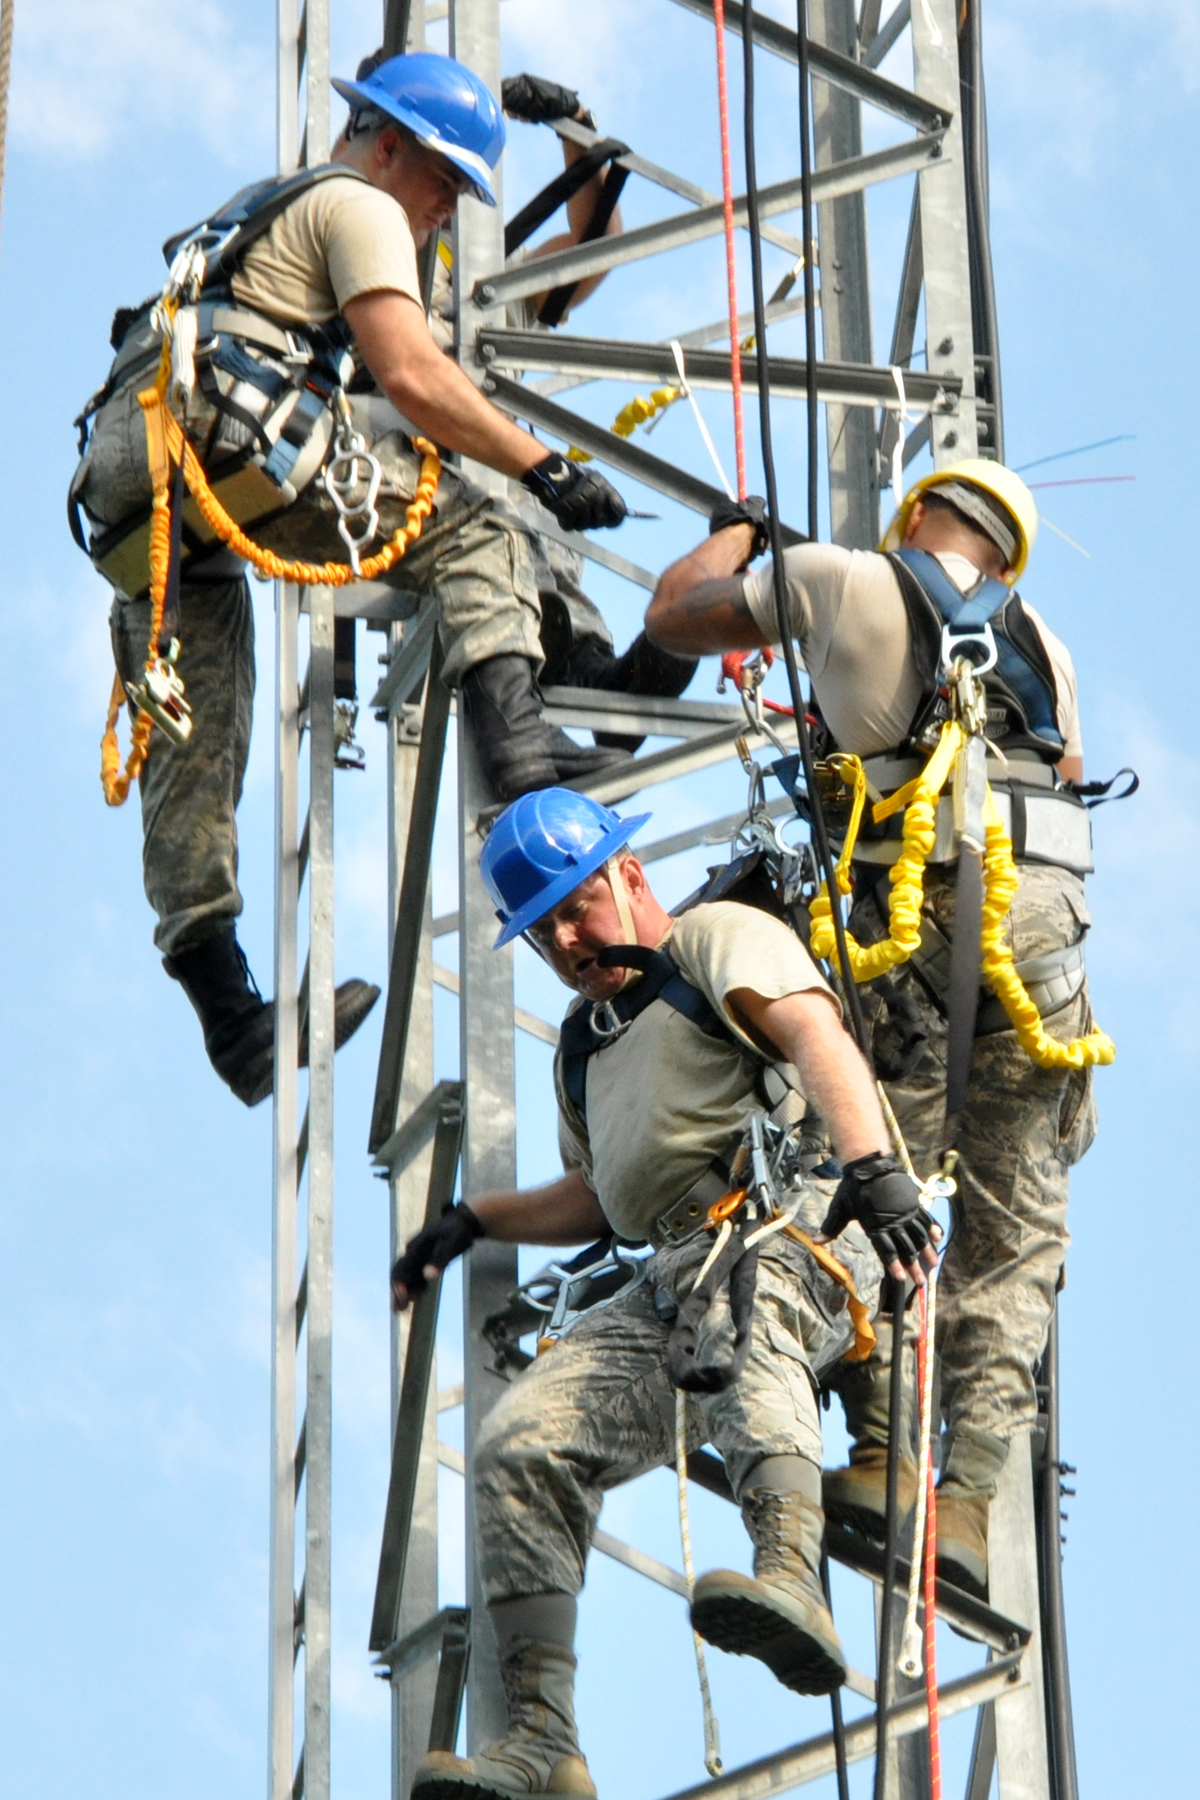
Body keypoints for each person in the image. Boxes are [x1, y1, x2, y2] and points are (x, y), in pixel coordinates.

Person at [69, 53, 636, 1108]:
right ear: (389, 146)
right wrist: (543, 468)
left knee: (195, 737)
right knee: (478, 529)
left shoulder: (258, 217)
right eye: (445, 182)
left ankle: (231, 1021)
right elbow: (414, 374)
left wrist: (584, 138)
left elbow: (568, 266)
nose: (446, 209)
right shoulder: (360, 207)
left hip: (137, 484)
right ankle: (523, 760)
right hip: (239, 440)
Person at [390, 788, 937, 1800]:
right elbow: (602, 1198)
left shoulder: (712, 942)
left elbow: (815, 1035)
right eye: (544, 930)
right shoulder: (583, 1044)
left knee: (743, 1309)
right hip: (674, 1275)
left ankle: (791, 1575)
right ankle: (542, 1742)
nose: (566, 940)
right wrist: (477, 1220)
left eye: (576, 908)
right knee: (520, 1444)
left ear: (629, 875)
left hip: (801, 1225)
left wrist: (874, 1169)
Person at [643, 460, 1099, 1596]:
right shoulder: (1048, 647)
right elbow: (1068, 777)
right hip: (1043, 938)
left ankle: (887, 1451)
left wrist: (738, 536)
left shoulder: (841, 578)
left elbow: (674, 618)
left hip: (913, 923)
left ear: (917, 515)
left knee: (865, 1166)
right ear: (1007, 553)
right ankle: (969, 1502)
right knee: (1012, 1232)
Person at [344, 54, 697, 747]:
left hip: (492, 474)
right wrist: (393, 101)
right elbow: (346, 175)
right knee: (501, 499)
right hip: (391, 462)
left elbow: (590, 250)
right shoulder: (348, 231)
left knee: (535, 491)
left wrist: (575, 126)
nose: (443, 206)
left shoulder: (482, 288)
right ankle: (538, 677)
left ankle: (582, 661)